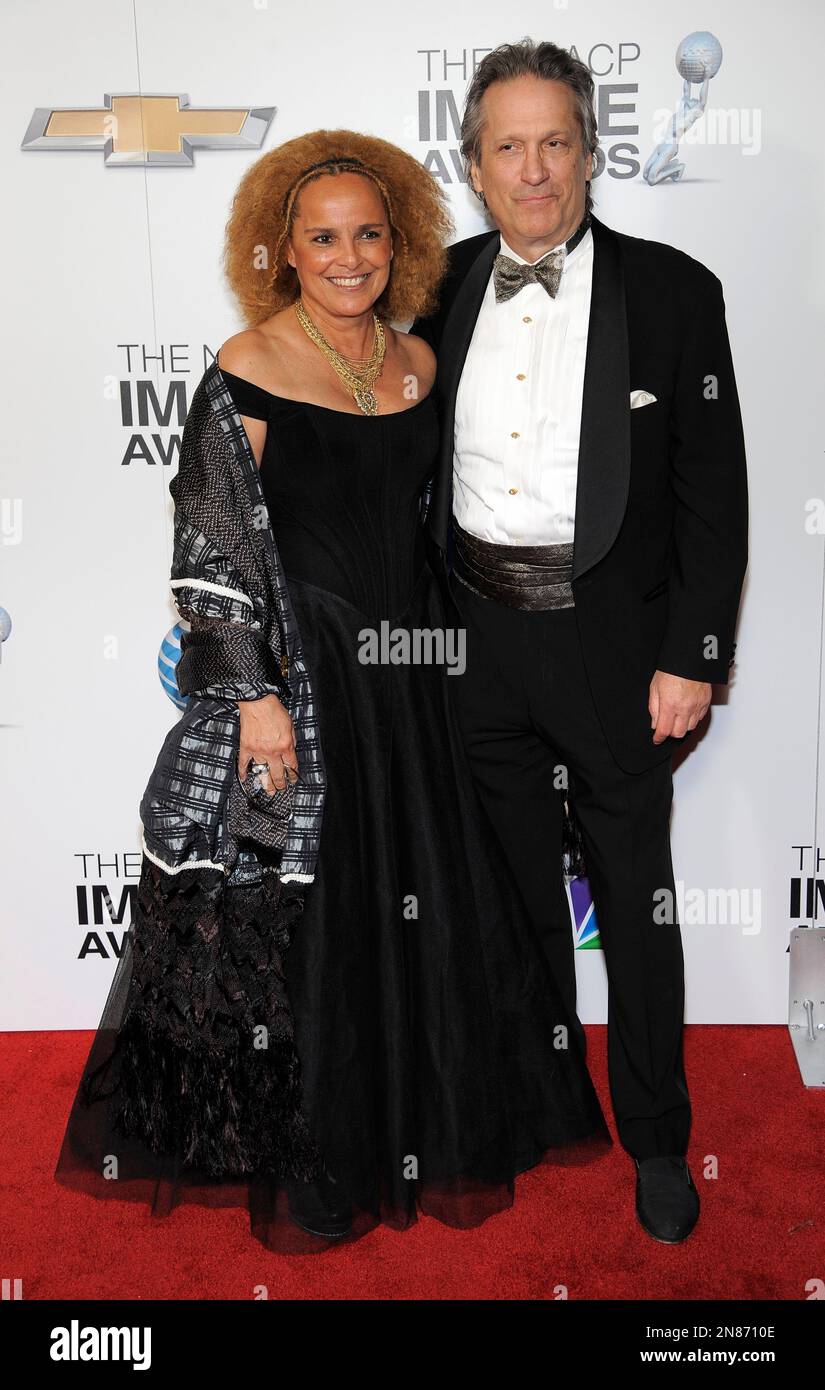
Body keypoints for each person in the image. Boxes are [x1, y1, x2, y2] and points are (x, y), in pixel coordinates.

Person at [55, 128, 611, 1255]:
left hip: (413, 678)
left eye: (369, 233)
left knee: (431, 905)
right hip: (309, 685)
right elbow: (210, 550)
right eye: (323, 236)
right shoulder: (248, 363)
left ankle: (423, 1120)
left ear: (397, 241)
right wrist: (254, 698)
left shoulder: (418, 363)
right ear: (283, 248)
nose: (349, 255)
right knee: (313, 921)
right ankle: (319, 1161)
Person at [411, 40, 748, 1244]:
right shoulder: (433, 291)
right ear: (474, 166)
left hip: (616, 648)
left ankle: (657, 1133)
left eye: (556, 140)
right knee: (508, 903)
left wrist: (694, 655)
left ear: (593, 152)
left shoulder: (673, 292)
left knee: (639, 910)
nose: (535, 168)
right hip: (476, 643)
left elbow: (716, 495)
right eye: (508, 145)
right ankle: (538, 1103)